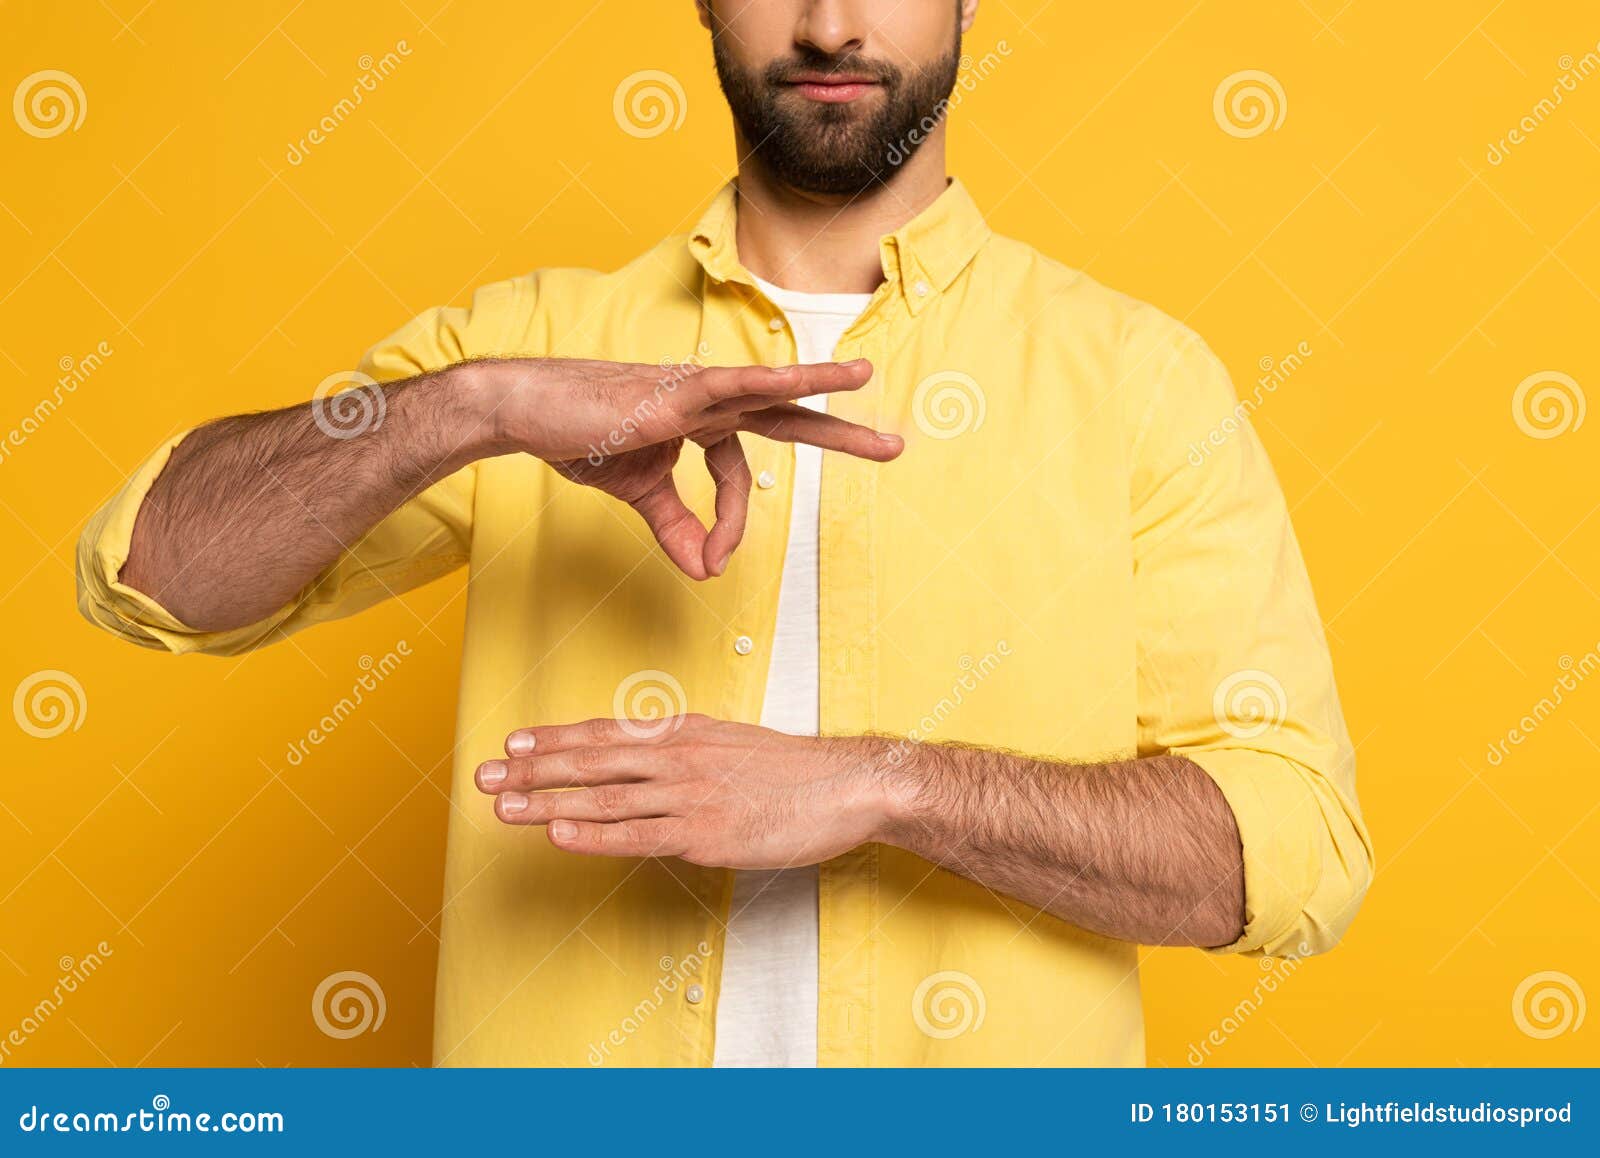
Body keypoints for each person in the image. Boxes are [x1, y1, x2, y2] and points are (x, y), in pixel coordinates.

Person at [76, 0, 1372, 1067]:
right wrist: (471, 406)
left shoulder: (1137, 379)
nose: (829, 25)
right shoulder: (527, 340)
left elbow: (1296, 853)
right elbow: (153, 573)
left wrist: (885, 784)